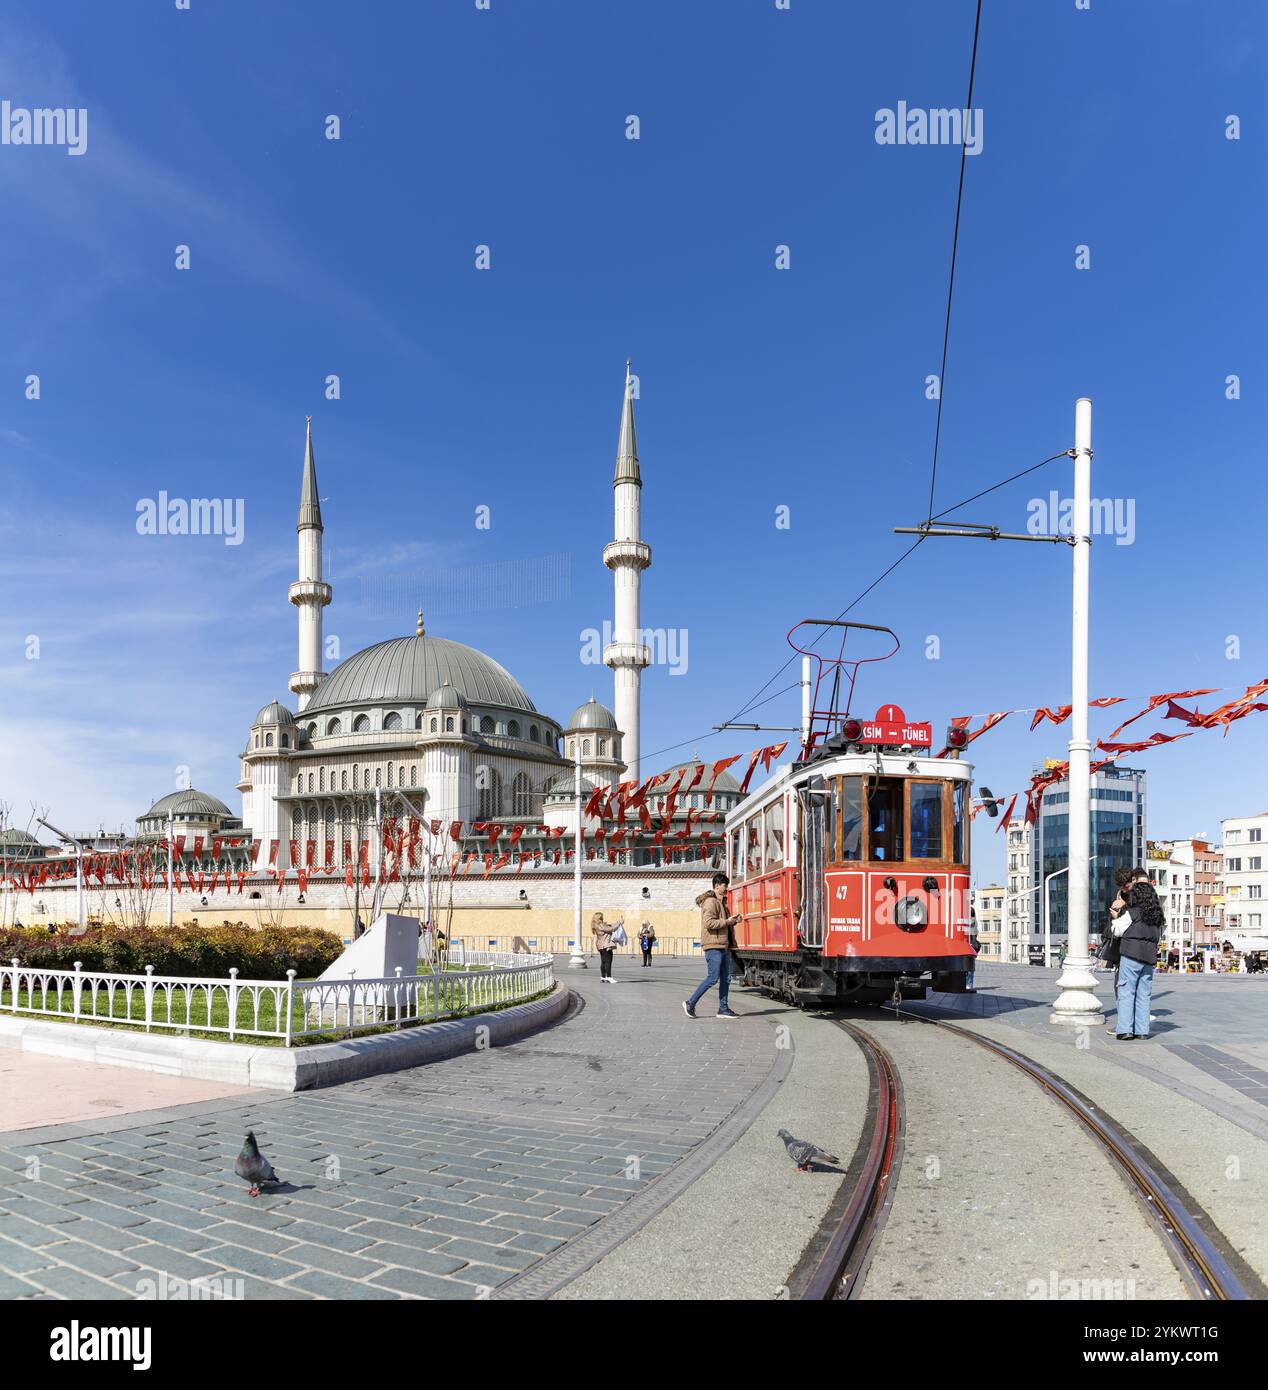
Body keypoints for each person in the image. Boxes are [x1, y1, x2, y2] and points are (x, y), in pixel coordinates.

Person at [1110, 867, 1165, 1039]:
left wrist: (1115, 917)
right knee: (1144, 994)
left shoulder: (1132, 912)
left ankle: (1125, 1030)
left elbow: (1117, 930)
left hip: (1131, 955)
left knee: (1126, 991)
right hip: (1149, 958)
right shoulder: (1157, 916)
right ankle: (1142, 1031)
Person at [684, 872, 741, 1019]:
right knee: (712, 978)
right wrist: (727, 921)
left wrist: (733, 920)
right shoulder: (711, 902)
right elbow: (709, 923)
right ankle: (690, 1003)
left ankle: (723, 1009)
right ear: (717, 886)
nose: (726, 888)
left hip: (723, 945)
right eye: (724, 885)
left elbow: (724, 923)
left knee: (726, 978)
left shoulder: (721, 902)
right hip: (713, 946)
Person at [591, 910, 618, 983]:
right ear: (599, 918)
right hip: (606, 945)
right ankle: (609, 977)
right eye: (602, 917)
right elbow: (611, 929)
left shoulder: (596, 925)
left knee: (603, 962)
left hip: (600, 946)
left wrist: (617, 923)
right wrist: (620, 923)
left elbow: (610, 926)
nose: (603, 918)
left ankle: (603, 977)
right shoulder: (601, 925)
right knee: (608, 961)